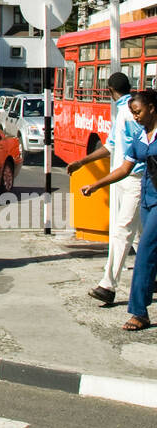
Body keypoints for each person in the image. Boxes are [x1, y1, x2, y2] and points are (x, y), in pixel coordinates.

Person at [82, 89, 157, 331]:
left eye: (138, 112)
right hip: (146, 198)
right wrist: (95, 184)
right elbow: (124, 169)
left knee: (144, 253)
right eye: (133, 113)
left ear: (152, 108)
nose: (135, 117)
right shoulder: (141, 137)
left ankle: (139, 312)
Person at [67, 73, 143, 305]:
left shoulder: (128, 112)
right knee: (140, 234)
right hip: (127, 178)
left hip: (135, 179)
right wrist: (83, 162)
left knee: (122, 231)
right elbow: (111, 145)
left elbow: (129, 152)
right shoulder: (125, 111)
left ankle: (108, 285)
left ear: (109, 91)